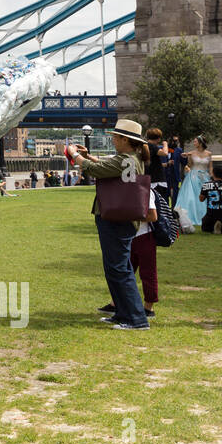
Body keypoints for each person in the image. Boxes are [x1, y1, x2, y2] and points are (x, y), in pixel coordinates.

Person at [69, 118, 152, 330]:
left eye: (115, 137)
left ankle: (136, 318)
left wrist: (74, 154)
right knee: (115, 267)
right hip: (116, 218)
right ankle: (123, 313)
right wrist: (86, 157)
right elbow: (106, 166)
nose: (113, 140)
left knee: (120, 268)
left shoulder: (127, 160)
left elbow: (95, 170)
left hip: (118, 219)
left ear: (126, 139)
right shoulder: (129, 158)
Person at [100, 128, 166, 319]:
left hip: (143, 235)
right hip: (131, 234)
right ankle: (118, 305)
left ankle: (146, 308)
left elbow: (152, 215)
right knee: (124, 272)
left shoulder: (143, 190)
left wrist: (127, 214)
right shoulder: (130, 181)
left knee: (140, 272)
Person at [174, 136, 211, 232]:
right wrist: (187, 167)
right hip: (193, 176)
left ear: (200, 142)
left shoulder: (209, 154)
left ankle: (206, 216)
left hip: (205, 177)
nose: (194, 143)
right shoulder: (192, 153)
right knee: (191, 198)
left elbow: (210, 167)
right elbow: (189, 165)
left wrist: (212, 177)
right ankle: (190, 217)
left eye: (195, 141)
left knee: (205, 197)